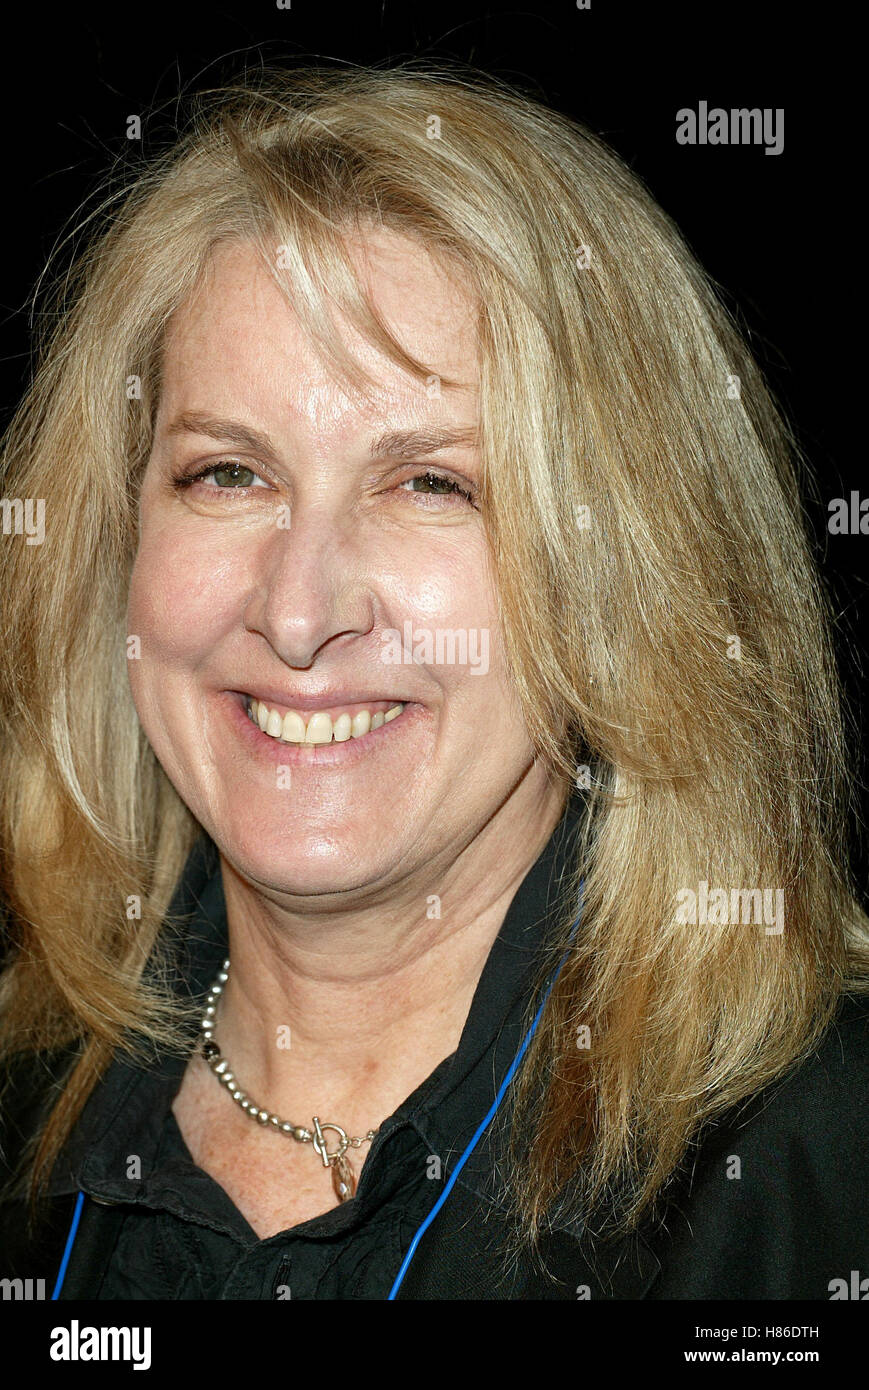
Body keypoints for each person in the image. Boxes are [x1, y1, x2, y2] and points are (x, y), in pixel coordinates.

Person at [1, 62, 867, 1301]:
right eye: (226, 473)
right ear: (113, 548)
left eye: (430, 484)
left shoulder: (812, 1174)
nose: (298, 613)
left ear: (627, 573)